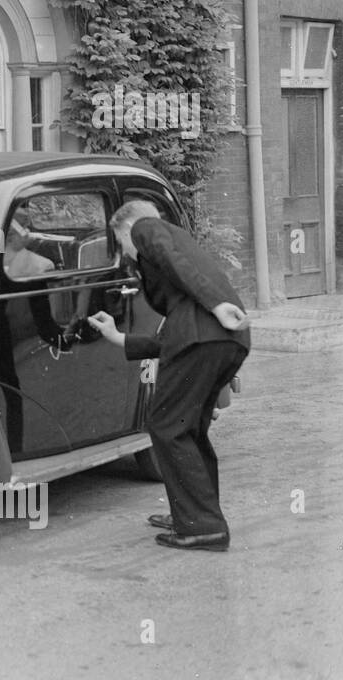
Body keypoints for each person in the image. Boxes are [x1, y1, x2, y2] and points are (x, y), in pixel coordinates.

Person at [87, 199, 251, 552]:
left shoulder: (146, 227)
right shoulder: (183, 250)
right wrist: (119, 337)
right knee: (188, 430)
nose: (126, 253)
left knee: (166, 426)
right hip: (223, 341)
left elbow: (168, 259)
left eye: (121, 242)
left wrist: (216, 304)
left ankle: (203, 526)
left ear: (128, 227)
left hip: (203, 338)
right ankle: (193, 516)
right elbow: (174, 335)